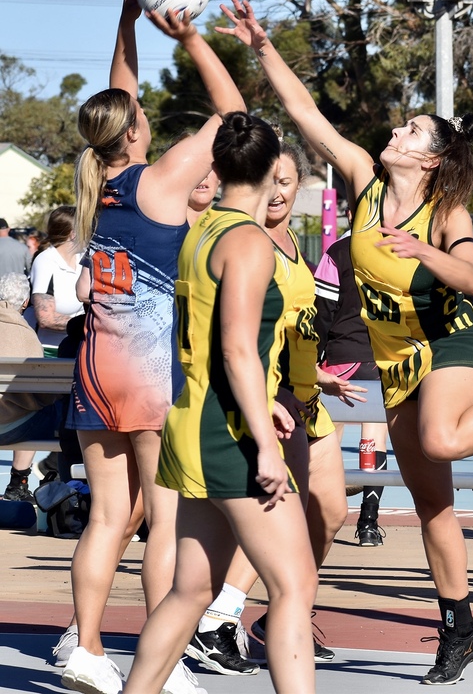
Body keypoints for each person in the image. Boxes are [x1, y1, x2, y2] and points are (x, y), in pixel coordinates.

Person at [215, 0, 473, 685]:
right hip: (396, 361)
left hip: (451, 343)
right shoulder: (364, 182)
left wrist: (422, 251)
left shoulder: (447, 209)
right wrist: (261, 45)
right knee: (433, 503)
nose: (397, 132)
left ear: (432, 159)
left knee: (439, 438)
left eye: (411, 130)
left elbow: (471, 278)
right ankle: (460, 628)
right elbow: (307, 116)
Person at [60, 0, 244, 694]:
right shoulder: (160, 181)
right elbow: (235, 118)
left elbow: (118, 96)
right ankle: (154, 667)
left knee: (108, 517)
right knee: (162, 522)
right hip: (147, 375)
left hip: (94, 367)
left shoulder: (96, 183)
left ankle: (88, 648)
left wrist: (128, 22)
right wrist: (192, 39)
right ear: (135, 130)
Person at [123, 112, 318, 694]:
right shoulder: (249, 241)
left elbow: (217, 343)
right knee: (293, 586)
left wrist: (263, 403)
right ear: (273, 169)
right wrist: (262, 440)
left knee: (191, 590)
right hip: (225, 434)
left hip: (193, 418)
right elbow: (236, 348)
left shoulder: (202, 227)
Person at [187, 138, 345, 671]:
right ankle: (227, 617)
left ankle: (235, 615)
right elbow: (240, 342)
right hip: (268, 399)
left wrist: (323, 375)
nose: (277, 191)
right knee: (287, 555)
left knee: (329, 512)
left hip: (302, 396)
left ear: (299, 186)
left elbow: (297, 325)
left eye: (286, 181)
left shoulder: (297, 247)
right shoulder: (245, 242)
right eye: (270, 179)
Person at [314, 226, 388, 547]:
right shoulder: (395, 249)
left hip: (341, 356)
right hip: (380, 357)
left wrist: (314, 357)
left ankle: (317, 514)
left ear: (347, 214)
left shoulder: (337, 252)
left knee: (328, 437)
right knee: (373, 439)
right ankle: (368, 522)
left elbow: (322, 310)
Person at [0, 272, 65, 503]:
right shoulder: (27, 335)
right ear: (25, 303)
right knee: (44, 410)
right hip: (11, 428)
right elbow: (41, 395)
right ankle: (25, 481)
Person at [30, 206, 84, 357]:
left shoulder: (83, 259)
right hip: (49, 351)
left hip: (77, 346)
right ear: (73, 234)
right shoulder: (46, 261)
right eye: (85, 227)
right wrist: (88, 325)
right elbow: (46, 318)